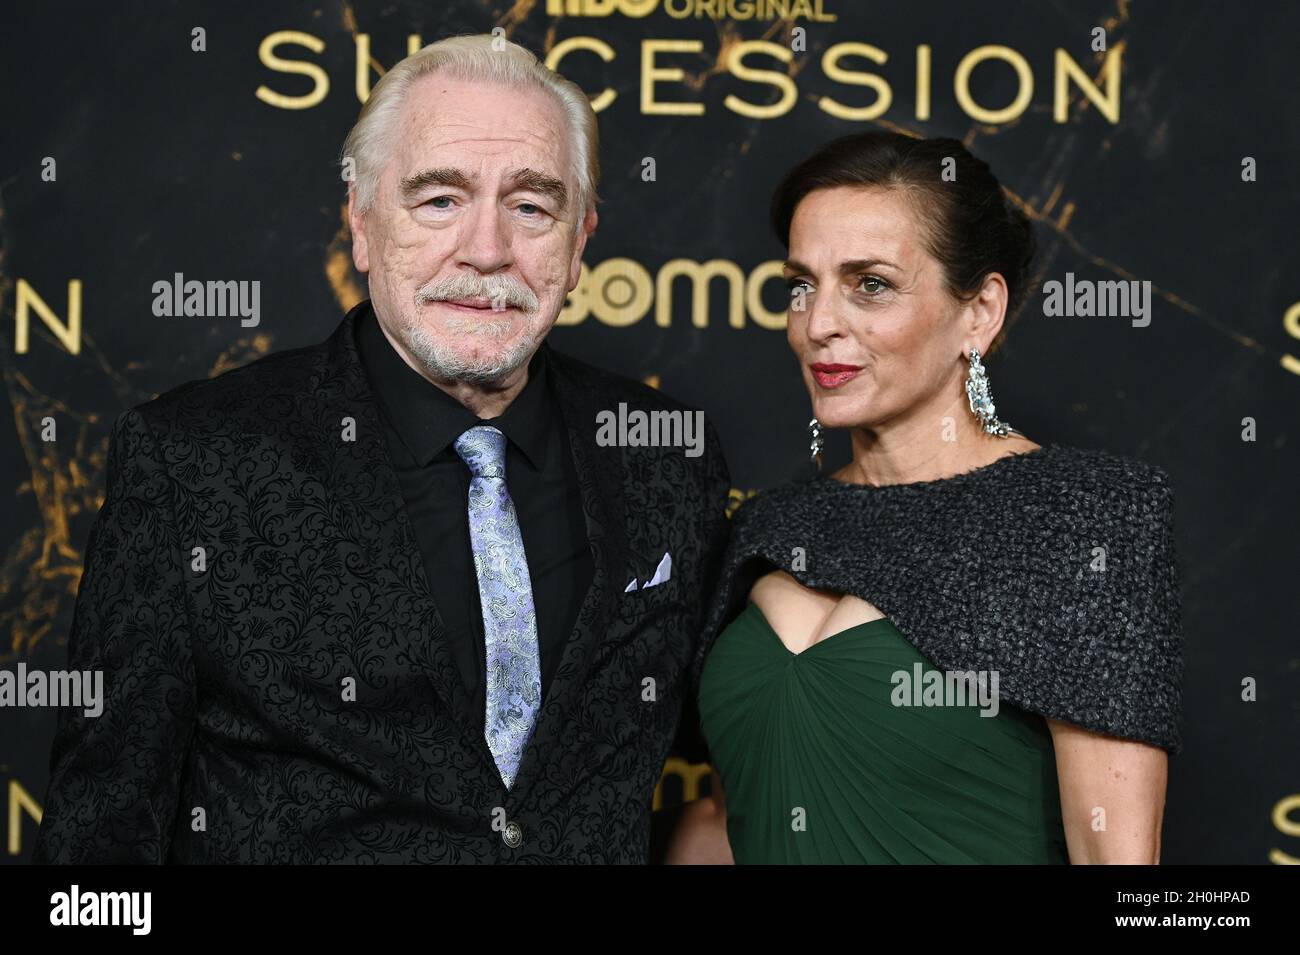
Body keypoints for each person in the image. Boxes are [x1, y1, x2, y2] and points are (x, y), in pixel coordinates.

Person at [33, 34, 730, 864]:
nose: (486, 248)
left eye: (532, 207)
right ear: (361, 226)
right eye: (439, 200)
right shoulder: (194, 459)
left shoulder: (666, 456)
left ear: (580, 243)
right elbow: (99, 837)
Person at [667, 132, 1183, 864]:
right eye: (800, 285)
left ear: (979, 312)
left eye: (870, 284)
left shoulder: (1079, 516)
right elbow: (726, 813)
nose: (819, 324)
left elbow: (1117, 860)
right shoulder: (768, 527)